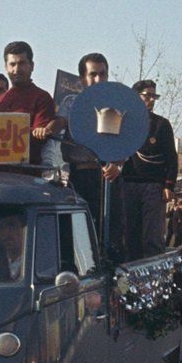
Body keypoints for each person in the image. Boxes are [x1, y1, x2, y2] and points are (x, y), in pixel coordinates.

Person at [63, 52, 125, 262]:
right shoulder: (70, 106)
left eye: (102, 74)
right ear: (82, 78)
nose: (98, 79)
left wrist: (118, 165)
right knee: (81, 235)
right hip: (80, 178)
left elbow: (127, 141)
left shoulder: (117, 107)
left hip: (108, 178)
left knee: (112, 235)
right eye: (92, 75)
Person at [122, 79, 178, 259]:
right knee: (129, 235)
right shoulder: (124, 122)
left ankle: (154, 277)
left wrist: (169, 185)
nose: (152, 99)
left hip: (153, 186)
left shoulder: (161, 124)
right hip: (128, 183)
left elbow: (171, 157)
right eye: (148, 95)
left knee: (152, 237)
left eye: (154, 96)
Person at [0, 41, 60, 165]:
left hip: (27, 175)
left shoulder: (42, 98)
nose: (16, 69)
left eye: (22, 63)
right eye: (12, 64)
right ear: (6, 67)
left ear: (32, 66)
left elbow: (37, 138)